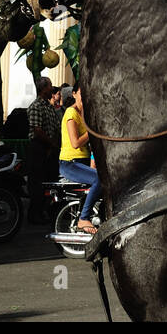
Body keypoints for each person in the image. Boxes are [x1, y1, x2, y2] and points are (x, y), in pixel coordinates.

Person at [59, 85, 99, 234]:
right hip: (70, 163)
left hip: (82, 162)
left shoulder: (84, 115)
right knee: (98, 179)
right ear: (74, 94)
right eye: (82, 93)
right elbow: (75, 143)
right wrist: (92, 132)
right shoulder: (71, 113)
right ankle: (84, 218)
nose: (85, 96)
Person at [26, 76, 59, 224]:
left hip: (49, 148)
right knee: (37, 182)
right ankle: (34, 214)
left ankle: (46, 211)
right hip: (38, 147)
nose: (51, 88)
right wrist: (51, 143)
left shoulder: (49, 106)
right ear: (43, 88)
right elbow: (37, 130)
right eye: (49, 86)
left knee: (49, 180)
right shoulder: (36, 106)